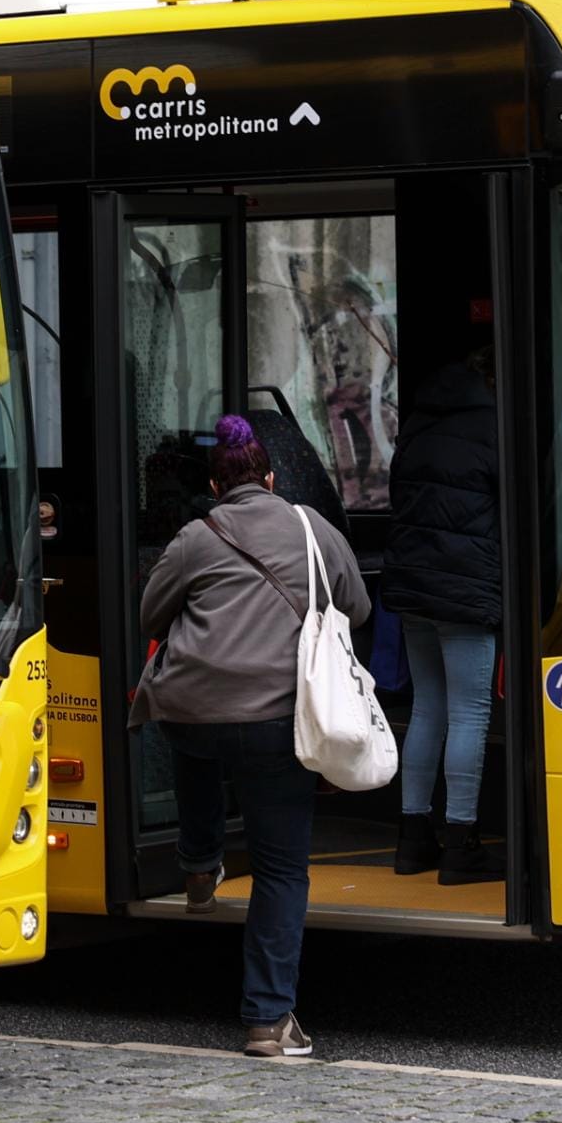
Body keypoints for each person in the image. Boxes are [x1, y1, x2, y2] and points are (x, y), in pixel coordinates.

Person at [132, 414, 369, 1059]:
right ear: (271, 478)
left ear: (215, 484)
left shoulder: (195, 535)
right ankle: (268, 1022)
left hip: (194, 710)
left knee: (195, 749)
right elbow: (360, 606)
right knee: (282, 871)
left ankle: (200, 862)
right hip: (275, 722)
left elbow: (151, 614)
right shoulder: (311, 528)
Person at [382, 343, 504, 884]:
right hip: (466, 589)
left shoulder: (418, 424)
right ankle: (461, 843)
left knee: (428, 708)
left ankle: (413, 838)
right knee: (470, 714)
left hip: (414, 585)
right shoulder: (494, 427)